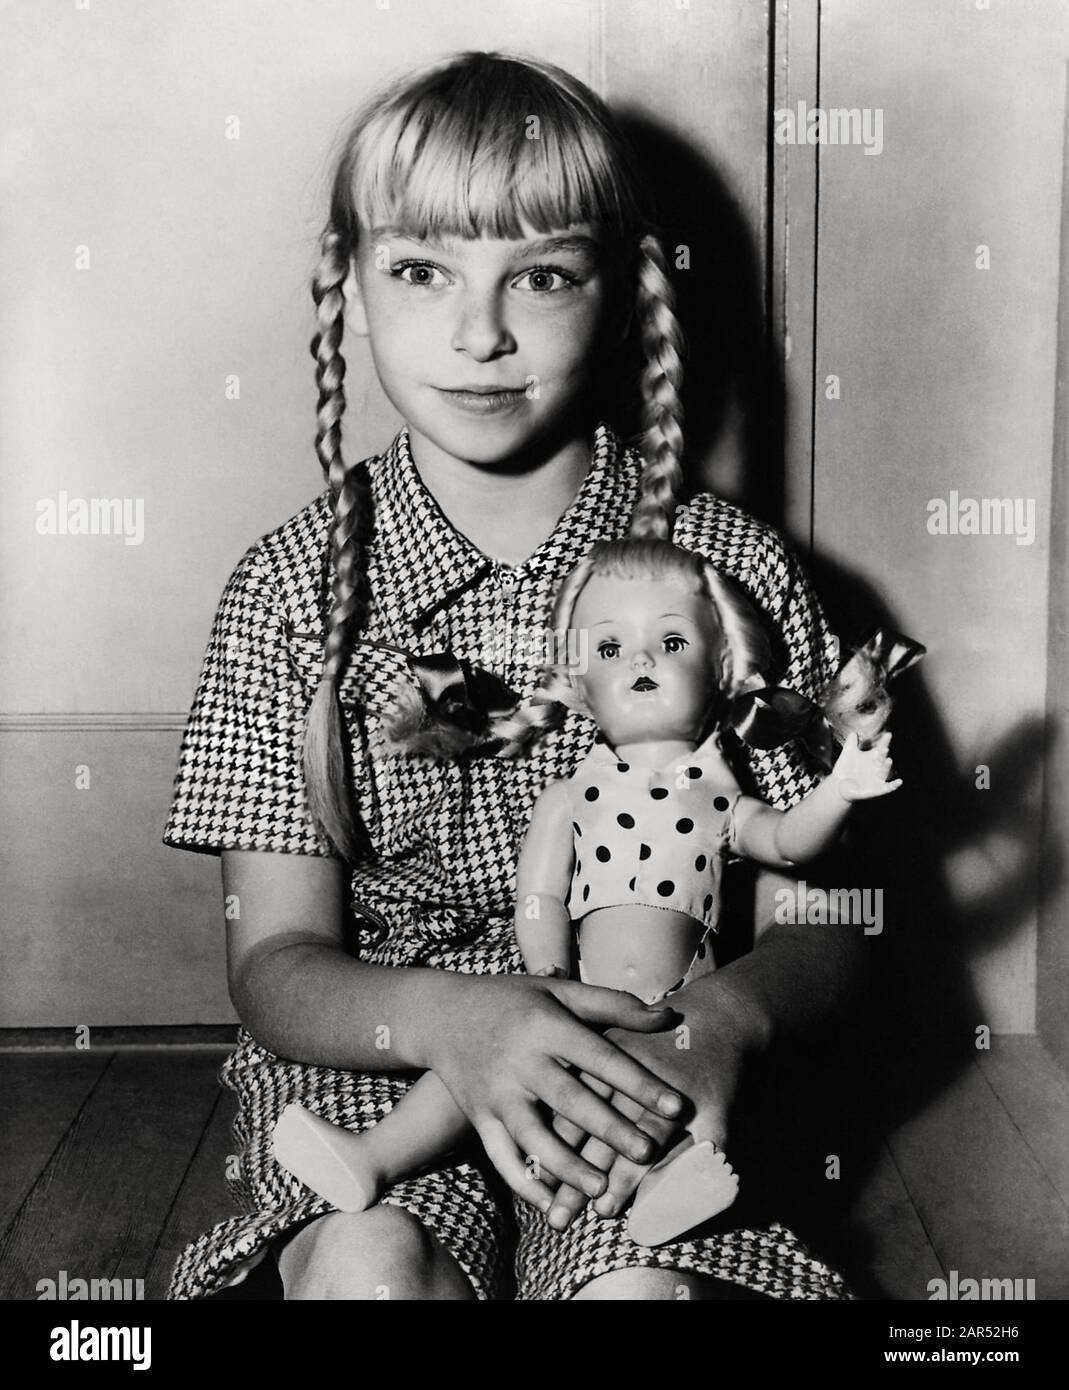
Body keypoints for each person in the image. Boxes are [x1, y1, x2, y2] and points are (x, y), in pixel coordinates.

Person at [163, 49, 865, 1300]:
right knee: (372, 1271)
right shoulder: (286, 592)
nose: (480, 333)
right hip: (379, 1052)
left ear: (623, 297)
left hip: (647, 1035)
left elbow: (833, 922)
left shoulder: (726, 573)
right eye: (423, 270)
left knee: (639, 1293)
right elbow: (274, 966)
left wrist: (727, 1029)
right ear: (354, 289)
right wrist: (452, 1023)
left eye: (540, 275)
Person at [272, 538, 904, 1249]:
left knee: (661, 1107)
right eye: (611, 648)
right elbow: (537, 899)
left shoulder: (722, 796)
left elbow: (789, 841)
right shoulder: (570, 795)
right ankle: (371, 1157)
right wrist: (546, 976)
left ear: (722, 667)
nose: (640, 661)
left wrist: (840, 792)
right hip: (570, 996)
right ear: (577, 680)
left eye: (669, 641)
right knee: (461, 1073)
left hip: (674, 1016)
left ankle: (667, 1192)